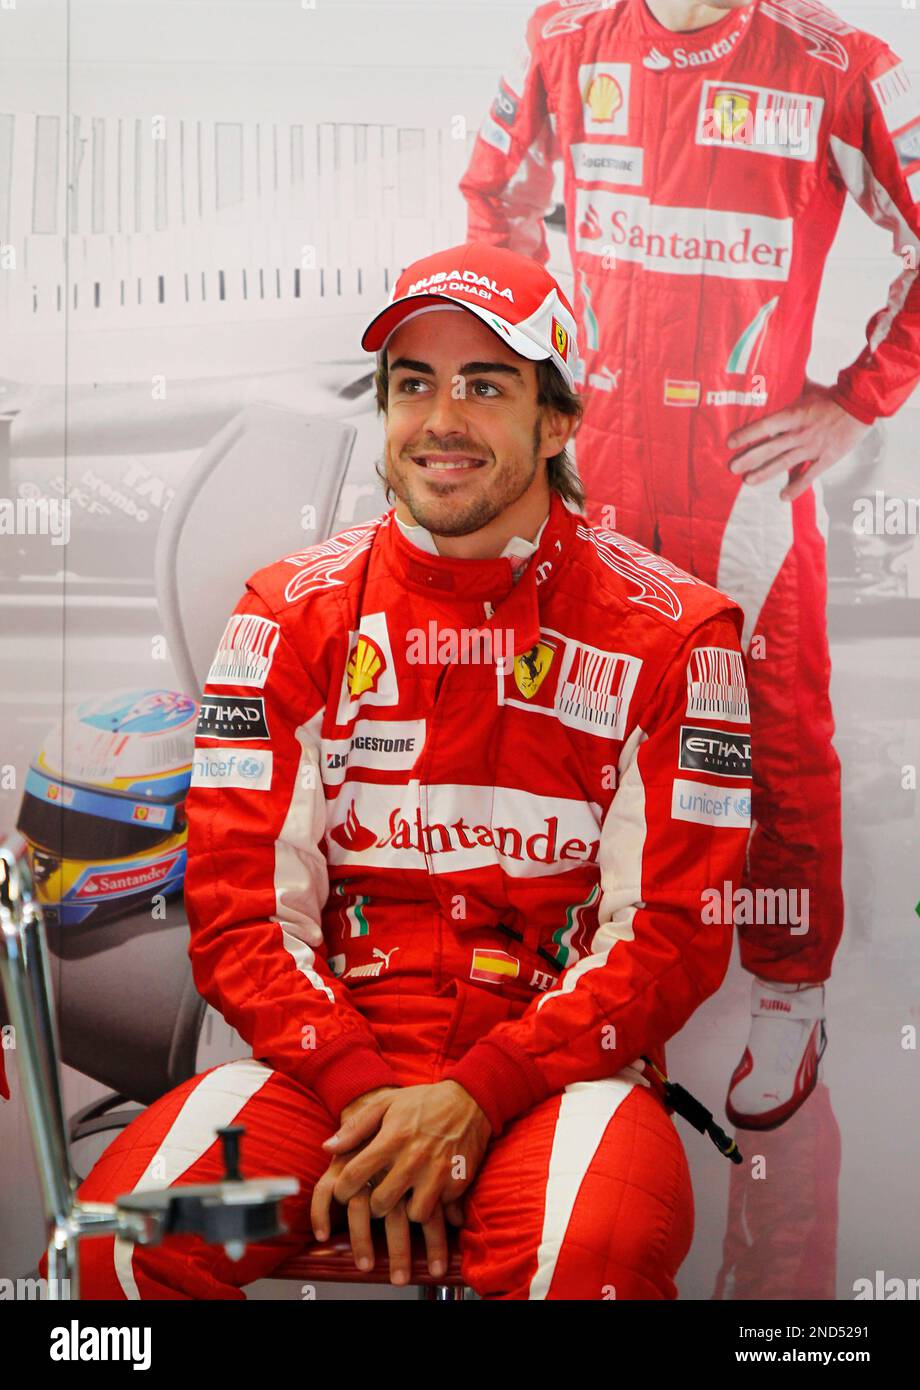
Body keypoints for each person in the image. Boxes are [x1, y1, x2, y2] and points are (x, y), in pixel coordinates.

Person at [50, 243, 752, 1301]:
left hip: (555, 1083)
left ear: (554, 421)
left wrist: (476, 1093)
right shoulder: (286, 614)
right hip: (320, 1077)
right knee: (110, 1253)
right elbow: (241, 914)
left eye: (484, 385)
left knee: (588, 1266)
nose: (440, 419)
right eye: (412, 385)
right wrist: (363, 1089)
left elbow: (671, 934)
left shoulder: (679, 635)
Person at [460, 0, 920, 1129]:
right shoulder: (558, 38)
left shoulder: (839, 62)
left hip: (744, 470)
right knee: (566, 720)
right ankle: (576, 979)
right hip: (593, 460)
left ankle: (787, 987)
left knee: (774, 731)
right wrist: (520, 374)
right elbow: (493, 210)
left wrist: (856, 402)